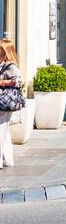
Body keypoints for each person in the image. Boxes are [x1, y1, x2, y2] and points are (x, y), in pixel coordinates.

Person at [0, 40, 24, 170]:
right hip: (3, 103)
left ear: (5, 51)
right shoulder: (2, 64)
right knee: (4, 131)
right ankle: (7, 160)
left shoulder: (10, 65)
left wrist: (2, 82)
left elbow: (18, 81)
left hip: (4, 102)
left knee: (1, 131)